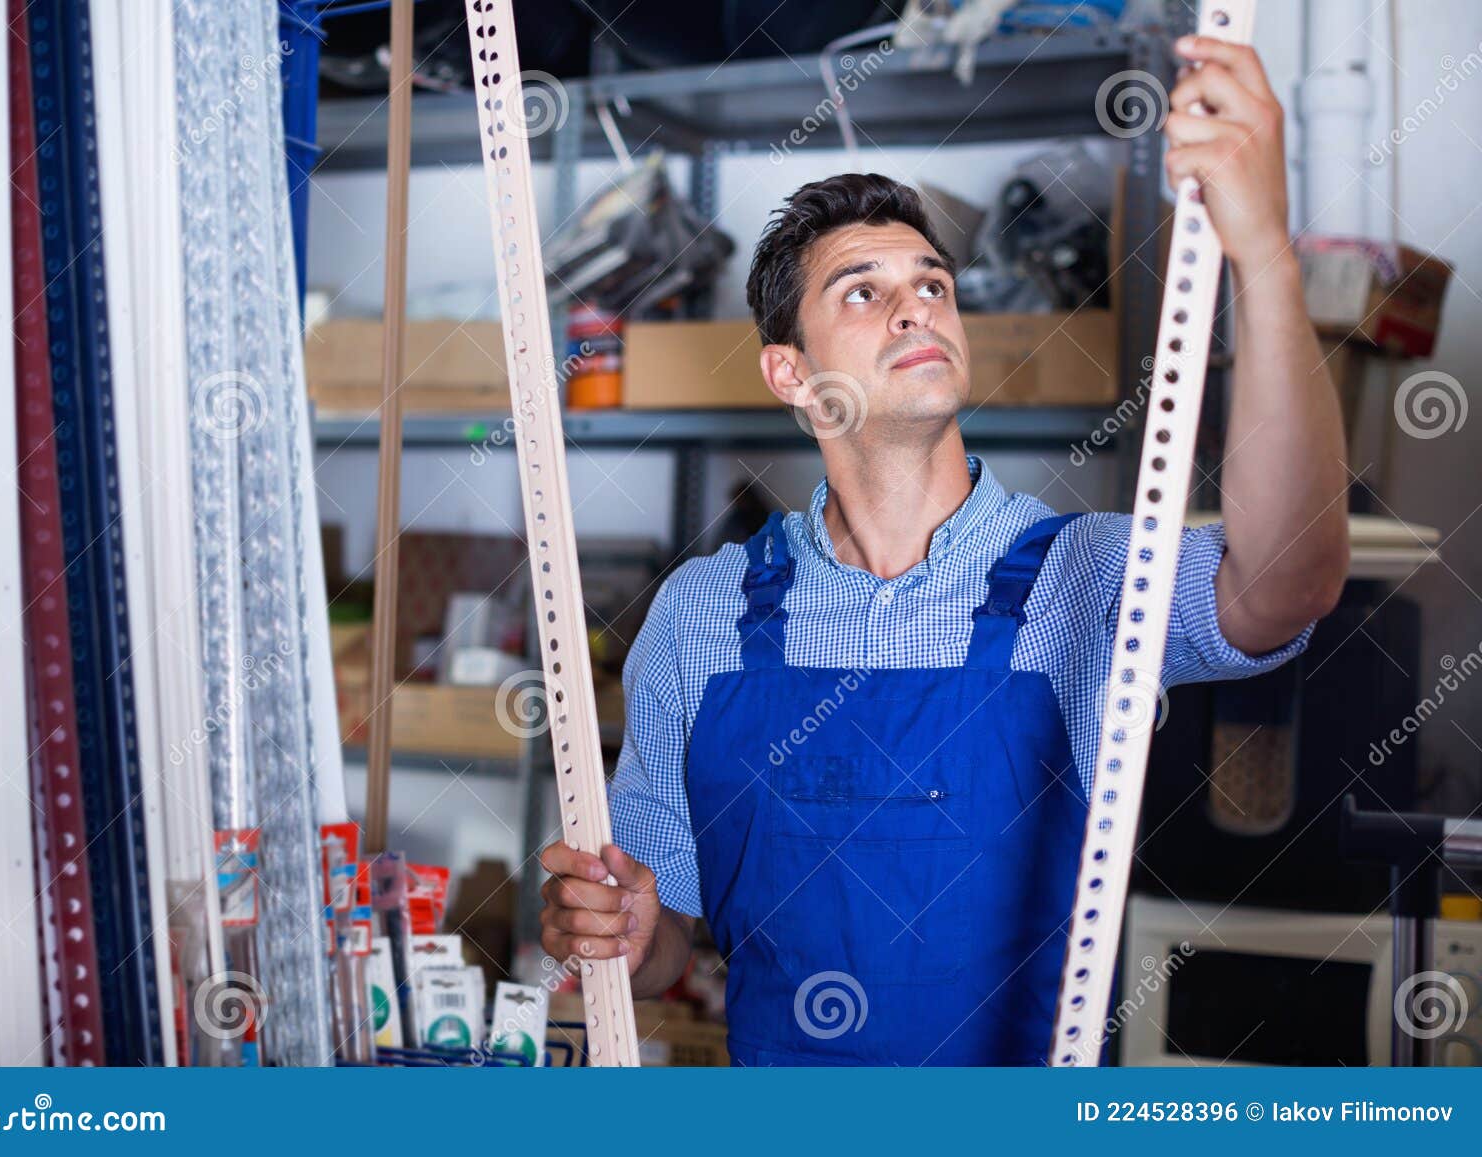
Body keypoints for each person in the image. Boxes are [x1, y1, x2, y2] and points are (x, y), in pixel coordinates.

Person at [539, 35, 1349, 1065]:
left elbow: (1288, 585)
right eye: (861, 291)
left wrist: (1265, 255)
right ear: (789, 373)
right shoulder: (702, 614)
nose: (916, 302)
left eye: (932, 283)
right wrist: (612, 927)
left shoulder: (1086, 575)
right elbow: (660, 948)